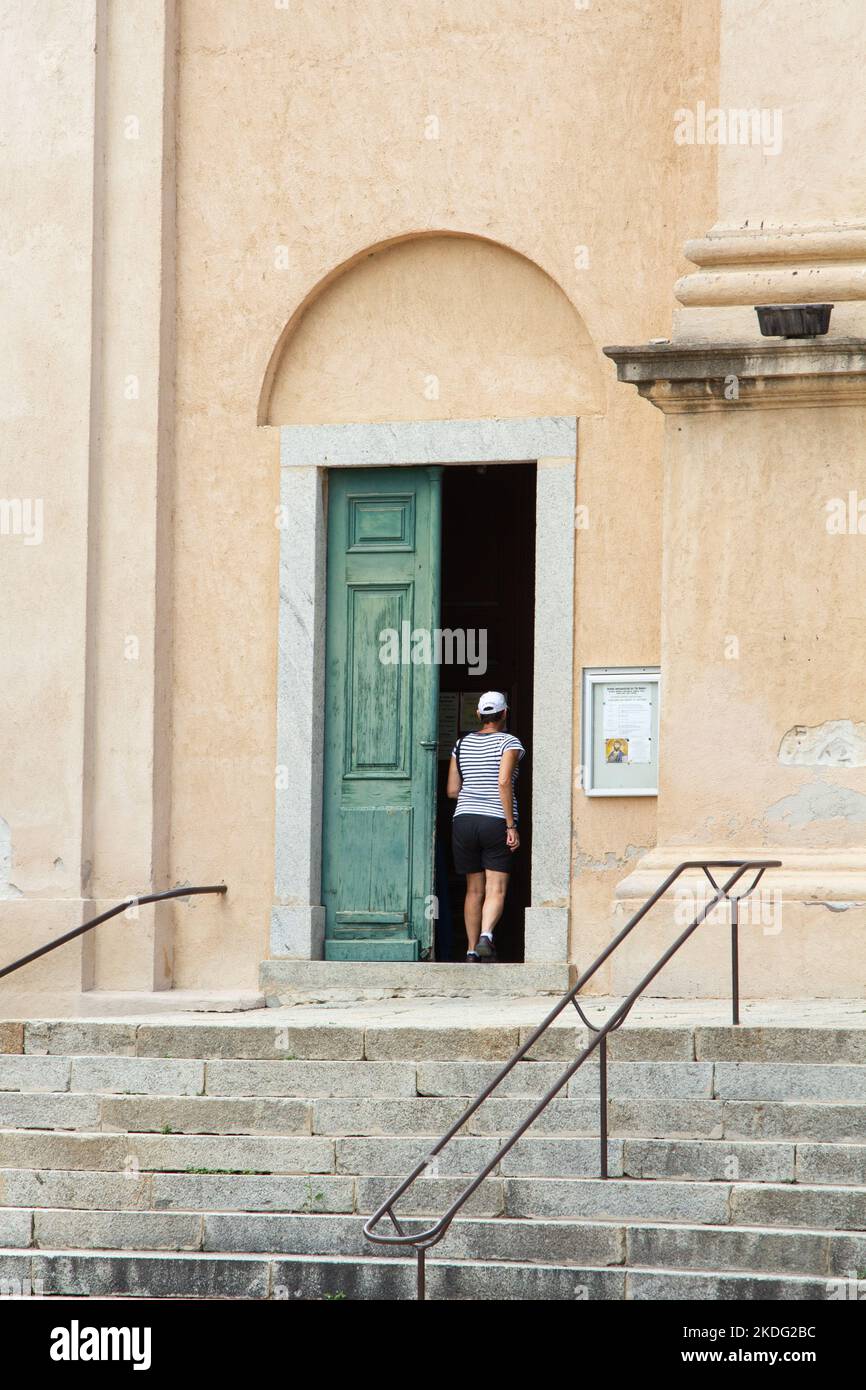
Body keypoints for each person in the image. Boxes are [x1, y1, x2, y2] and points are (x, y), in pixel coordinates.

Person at [447, 690, 525, 962]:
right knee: (496, 887)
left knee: (473, 889)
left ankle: (470, 951)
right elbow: (504, 782)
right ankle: (486, 936)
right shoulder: (509, 742)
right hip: (494, 820)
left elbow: (452, 790)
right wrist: (511, 825)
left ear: (479, 715)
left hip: (464, 819)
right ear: (505, 714)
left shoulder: (461, 744)